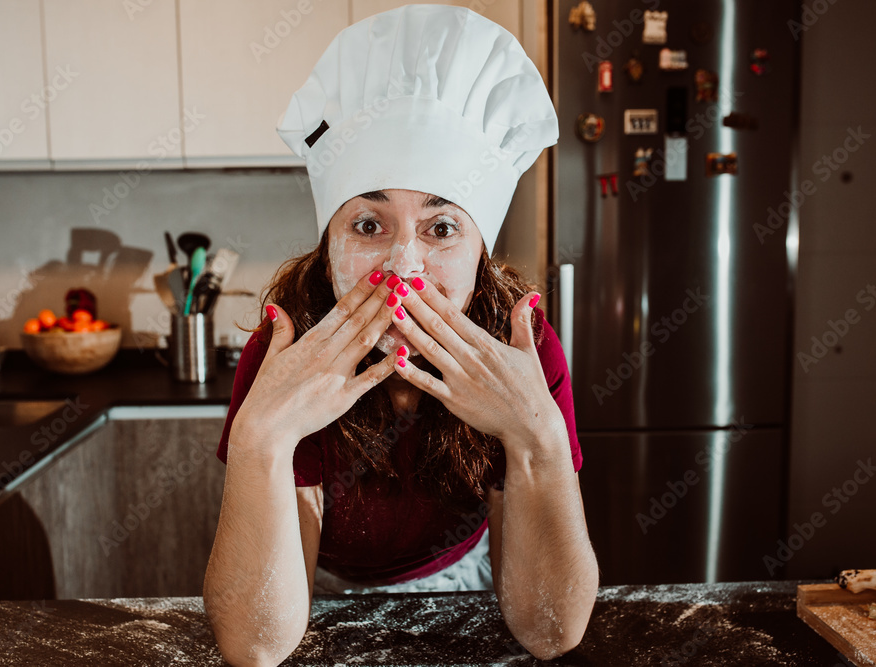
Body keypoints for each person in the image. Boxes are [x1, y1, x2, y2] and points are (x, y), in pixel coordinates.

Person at [203, 5, 598, 664]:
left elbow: (550, 628)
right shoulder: (285, 351)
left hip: (474, 594)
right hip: (311, 600)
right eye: (368, 225)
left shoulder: (523, 350)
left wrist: (537, 436)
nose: (402, 267)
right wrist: (260, 441)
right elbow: (257, 643)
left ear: (479, 252)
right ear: (328, 243)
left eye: (442, 228)